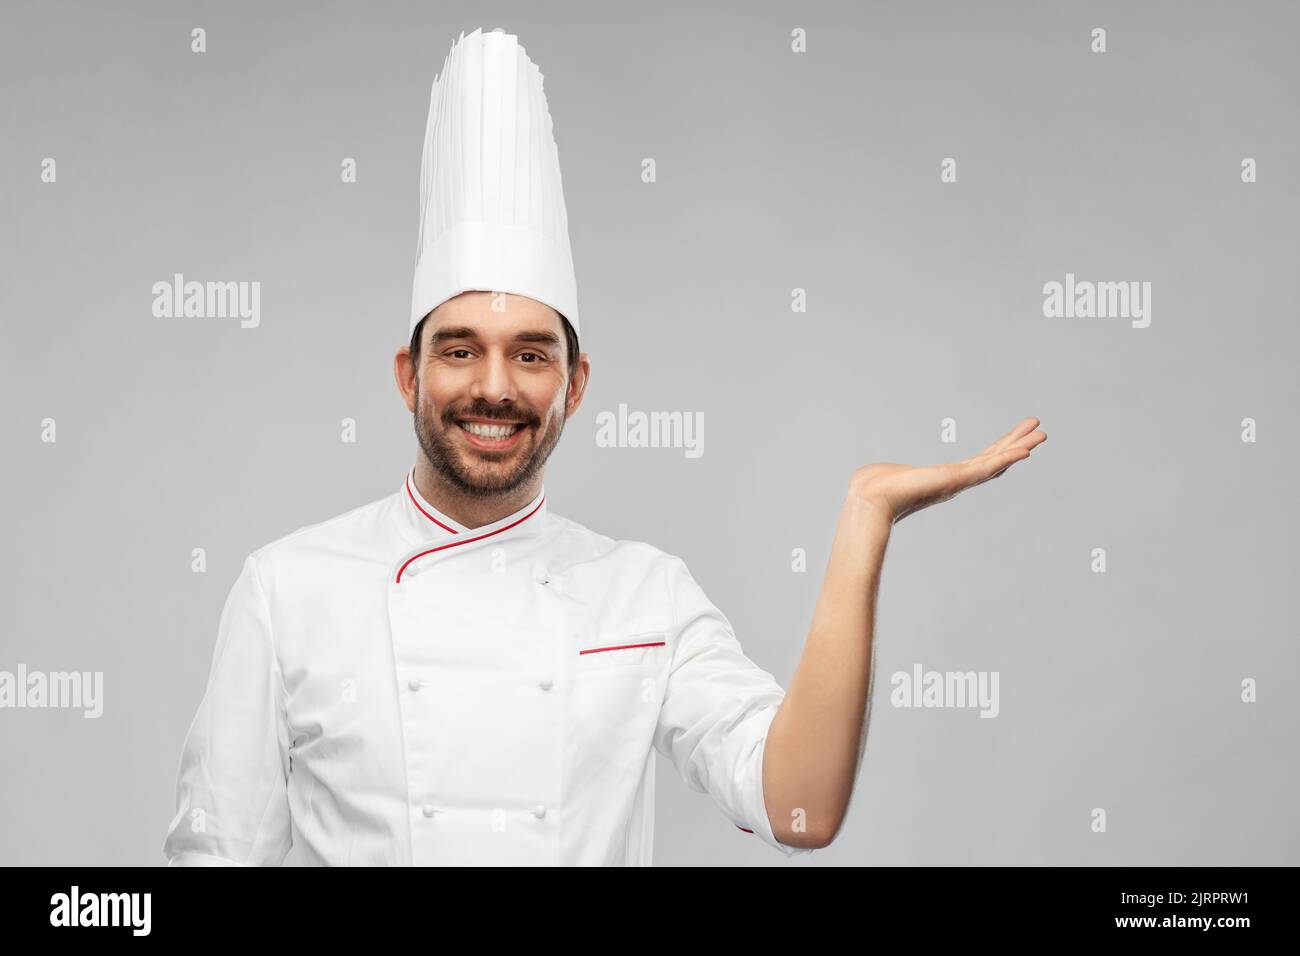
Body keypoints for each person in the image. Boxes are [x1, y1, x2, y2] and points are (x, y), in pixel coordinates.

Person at [162, 27, 1046, 866]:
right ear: (407, 374)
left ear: (575, 385)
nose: (495, 387)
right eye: (460, 349)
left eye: (532, 354)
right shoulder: (287, 589)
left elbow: (800, 808)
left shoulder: (642, 596)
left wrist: (865, 521)